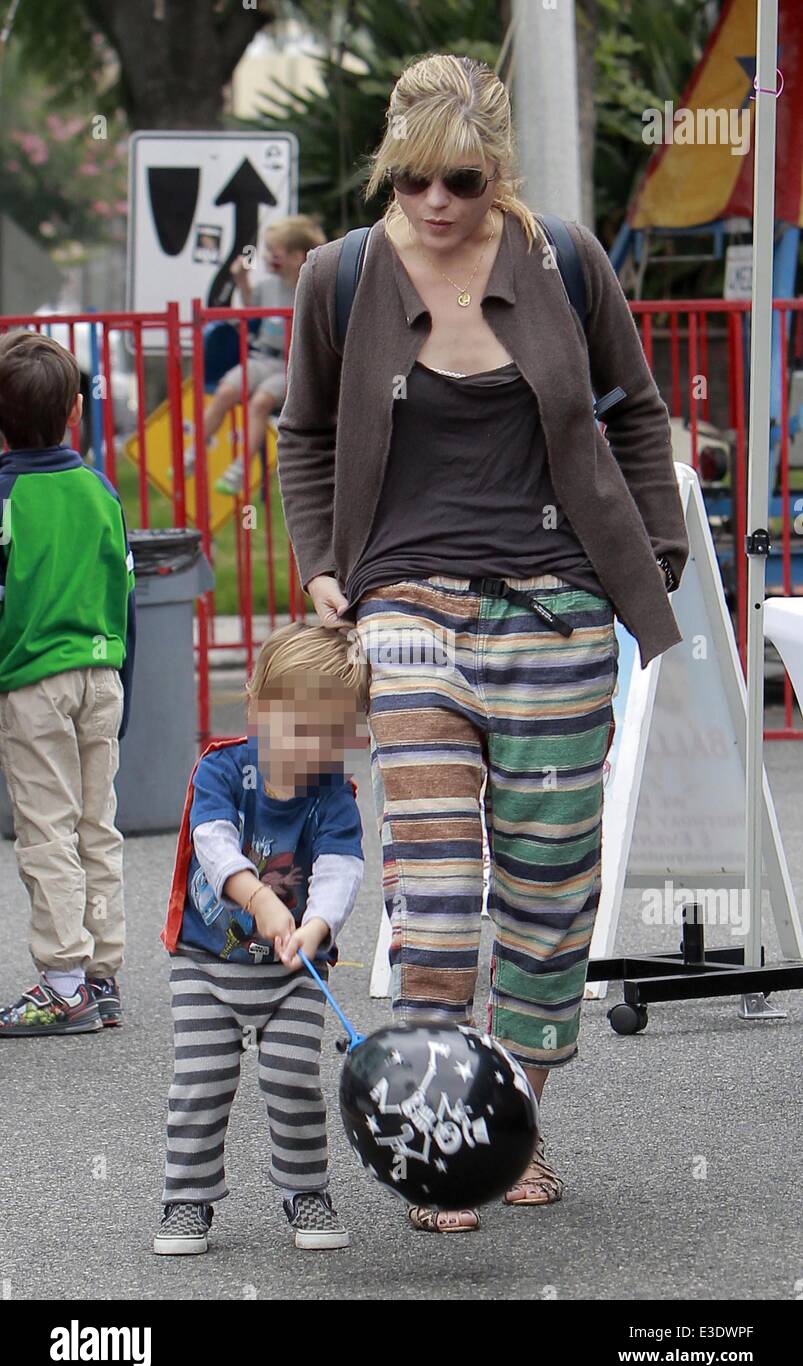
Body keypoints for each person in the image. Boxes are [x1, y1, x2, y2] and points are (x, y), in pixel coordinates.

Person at [277, 54, 689, 1233]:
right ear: (389, 175)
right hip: (407, 609)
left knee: (552, 887)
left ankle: (508, 1122)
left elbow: (637, 404)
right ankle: (438, 1131)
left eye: (461, 179)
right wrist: (321, 560)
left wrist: (650, 556)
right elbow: (302, 431)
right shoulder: (340, 277)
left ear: (494, 168)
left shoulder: (561, 262)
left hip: (556, 609)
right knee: (437, 885)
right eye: (412, 183)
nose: (436, 205)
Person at [153, 622, 369, 1255]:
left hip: (294, 970)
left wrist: (315, 926)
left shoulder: (333, 794)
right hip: (205, 964)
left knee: (294, 1077)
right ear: (255, 704)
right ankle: (186, 1199)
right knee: (202, 1081)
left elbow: (341, 869)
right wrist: (257, 898)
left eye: (331, 736)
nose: (310, 748)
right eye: (296, 726)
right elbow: (212, 841)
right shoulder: (221, 768)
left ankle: (306, 1191)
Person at [0, 330, 136, 1036]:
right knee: (96, 824)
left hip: (32, 683)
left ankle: (61, 981)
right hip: (102, 673)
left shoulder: (6, 494)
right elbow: (125, 591)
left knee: (45, 831)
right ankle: (102, 973)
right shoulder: (99, 490)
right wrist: (124, 681)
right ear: (76, 412)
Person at [194, 214, 326, 496]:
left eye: (274, 253)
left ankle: (241, 468)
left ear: (296, 257)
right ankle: (195, 450)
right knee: (226, 391)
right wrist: (241, 279)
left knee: (261, 402)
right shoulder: (268, 286)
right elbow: (251, 307)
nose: (267, 258)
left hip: (289, 366)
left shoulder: (312, 286)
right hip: (261, 358)